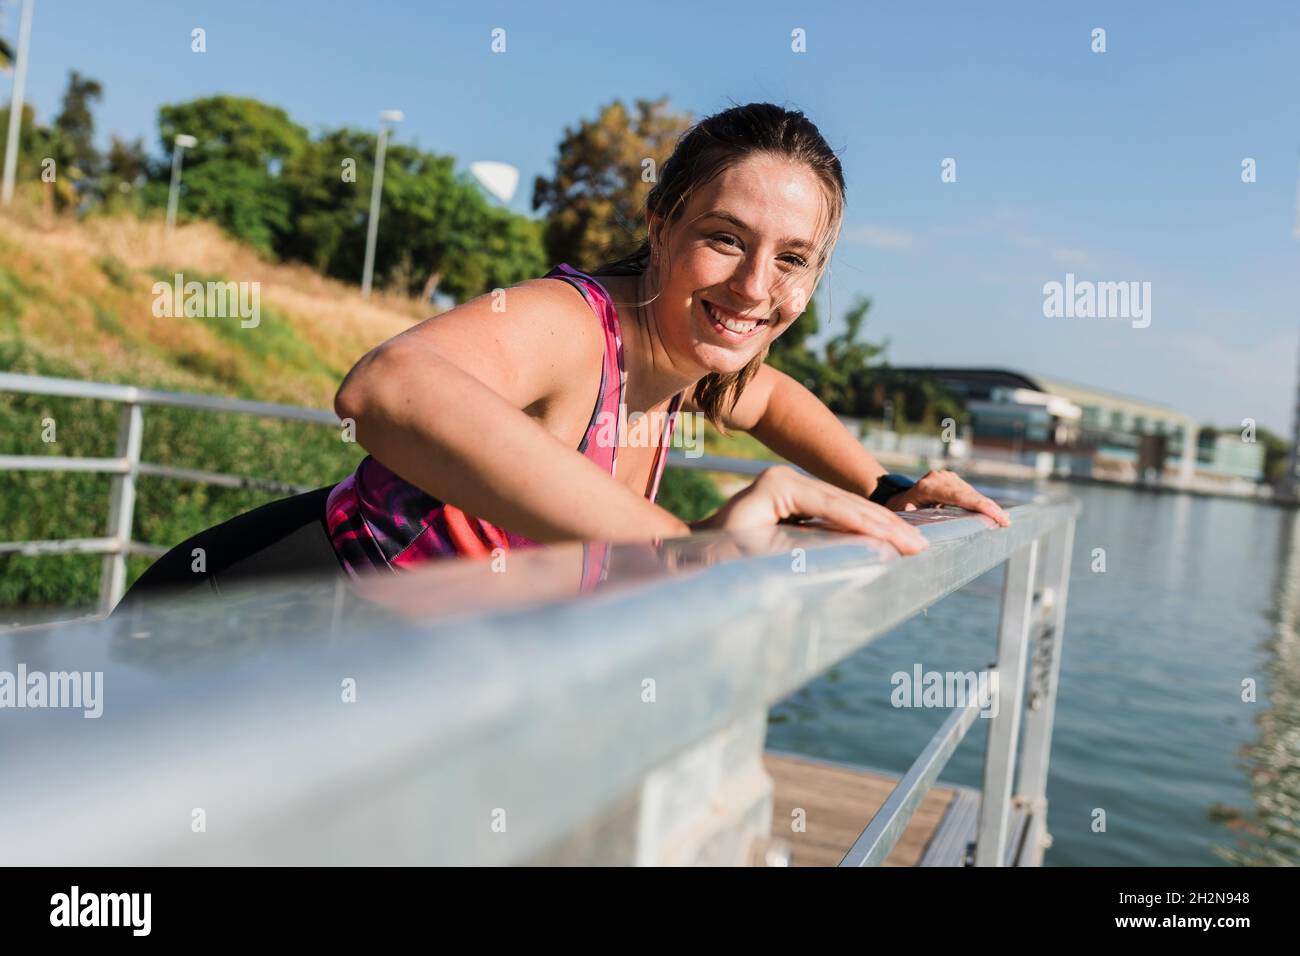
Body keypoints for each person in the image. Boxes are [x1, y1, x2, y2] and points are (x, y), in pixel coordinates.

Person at [115, 102, 1008, 613]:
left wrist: (886, 488)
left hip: (385, 671)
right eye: (725, 238)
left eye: (792, 258)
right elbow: (383, 387)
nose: (752, 288)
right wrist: (689, 551)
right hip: (248, 622)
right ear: (660, 227)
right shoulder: (581, 329)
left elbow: (769, 399)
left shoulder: (695, 366)